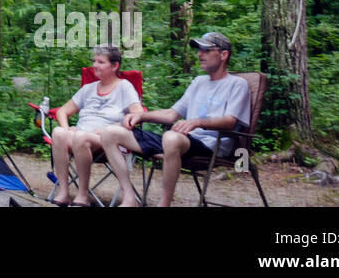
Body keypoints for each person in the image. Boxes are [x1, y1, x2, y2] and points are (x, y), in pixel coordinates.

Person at [97, 31, 252, 207]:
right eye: (199, 50)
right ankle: (129, 198)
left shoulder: (237, 84)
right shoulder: (199, 82)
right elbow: (172, 114)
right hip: (181, 140)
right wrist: (141, 115)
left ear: (224, 54)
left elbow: (230, 121)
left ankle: (164, 204)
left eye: (206, 50)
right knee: (110, 133)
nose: (200, 54)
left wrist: (196, 122)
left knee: (171, 137)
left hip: (210, 144)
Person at [47, 45, 142, 206]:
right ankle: (63, 192)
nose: (95, 65)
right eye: (94, 61)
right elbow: (62, 111)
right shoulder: (88, 89)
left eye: (101, 62)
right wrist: (66, 127)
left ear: (115, 66)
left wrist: (115, 128)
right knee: (58, 132)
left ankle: (82, 195)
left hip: (105, 138)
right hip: (81, 135)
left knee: (80, 136)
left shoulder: (124, 86)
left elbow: (137, 113)